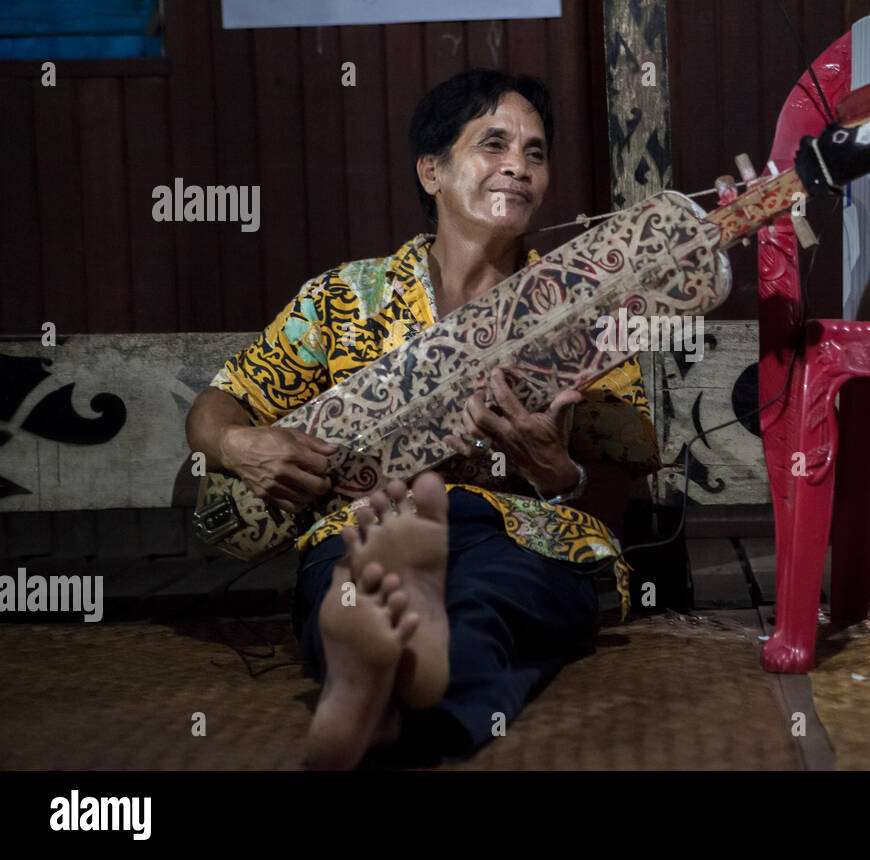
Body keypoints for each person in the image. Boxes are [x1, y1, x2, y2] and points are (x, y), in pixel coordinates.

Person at [185, 68, 660, 769]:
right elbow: (220, 401)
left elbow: (624, 482)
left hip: (520, 533)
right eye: (493, 144)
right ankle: (404, 686)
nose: (518, 166)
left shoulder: (582, 314)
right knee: (359, 582)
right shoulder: (345, 299)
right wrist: (236, 443)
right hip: (368, 522)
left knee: (486, 600)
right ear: (431, 171)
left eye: (534, 152)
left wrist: (560, 475)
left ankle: (383, 688)